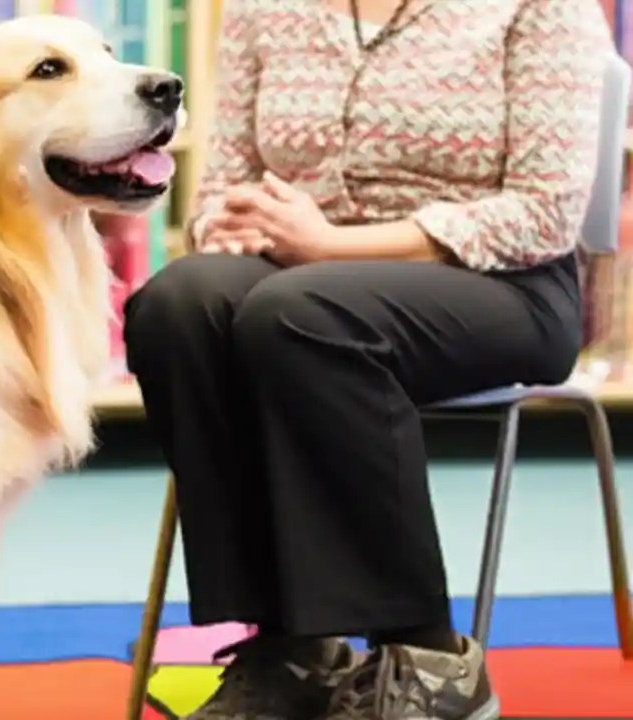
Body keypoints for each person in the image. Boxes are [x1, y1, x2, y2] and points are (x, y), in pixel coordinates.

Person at [122, 0, 610, 718]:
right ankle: (287, 649)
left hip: (502, 283)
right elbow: (223, 185)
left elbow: (544, 215)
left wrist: (330, 248)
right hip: (299, 276)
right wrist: (226, 225)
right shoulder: (265, 9)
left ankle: (431, 658)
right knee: (180, 304)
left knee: (302, 314)